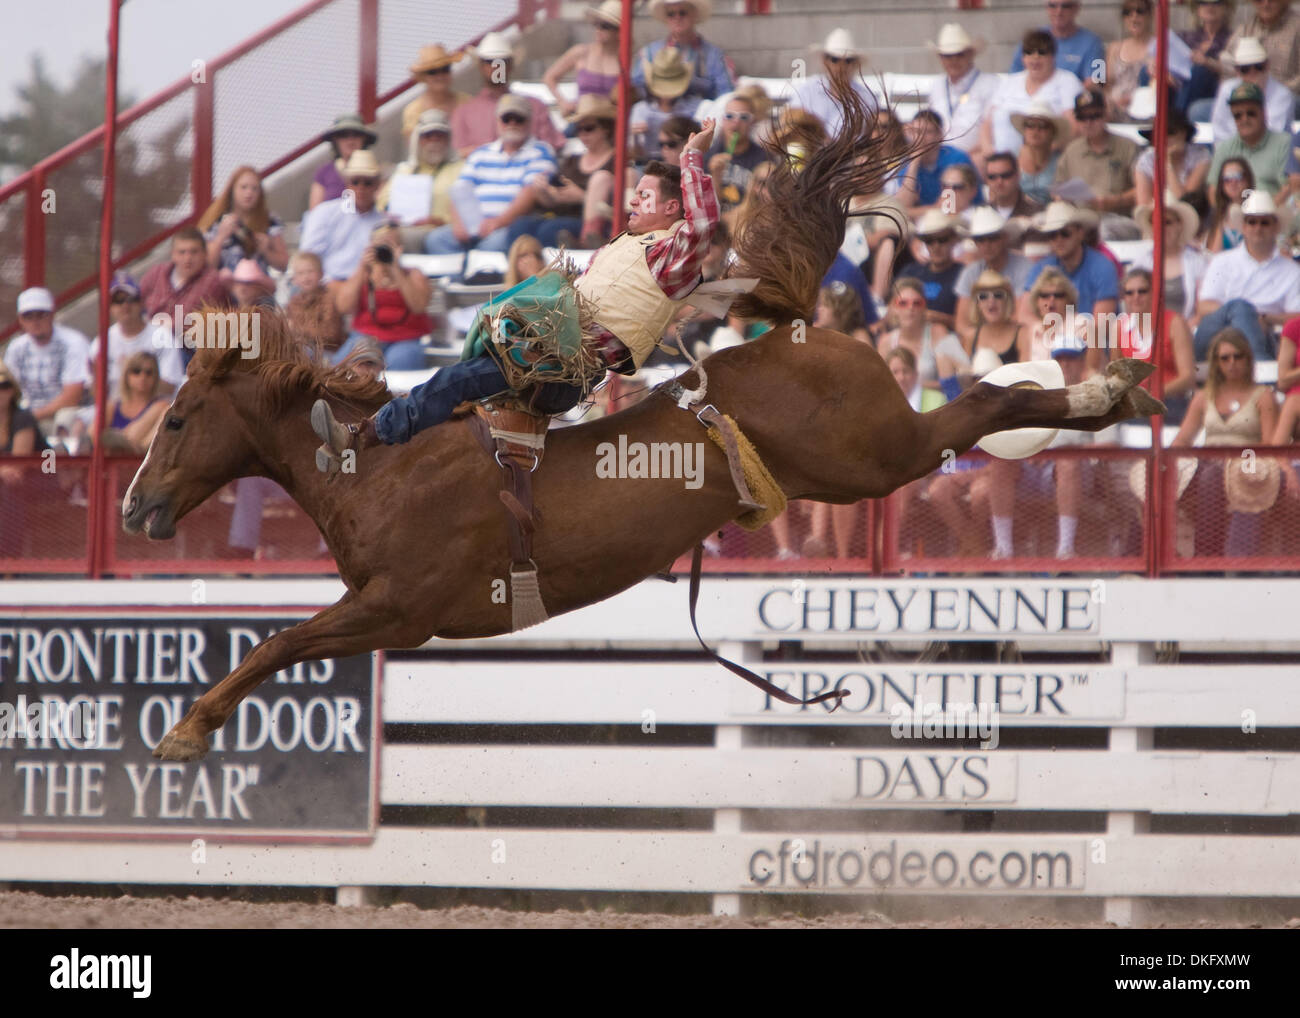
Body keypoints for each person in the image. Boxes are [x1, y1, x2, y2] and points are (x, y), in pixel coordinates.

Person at [311, 120, 723, 467]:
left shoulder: (673, 256)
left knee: (456, 380)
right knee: (463, 391)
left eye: (645, 195)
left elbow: (702, 225)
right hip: (548, 353)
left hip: (564, 367)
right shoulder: (630, 246)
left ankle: (361, 438)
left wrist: (690, 157)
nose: (632, 200)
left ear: (672, 210)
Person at [1173, 327, 1279, 557]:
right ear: (1216, 362)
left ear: (1247, 358)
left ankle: (1209, 558)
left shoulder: (1263, 395)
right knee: (1192, 477)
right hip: (1208, 464)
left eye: (1237, 356)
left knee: (1215, 478)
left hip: (1248, 463)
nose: (1232, 363)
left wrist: (1233, 459)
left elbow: (1270, 443)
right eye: (1225, 358)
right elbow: (1182, 439)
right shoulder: (1204, 396)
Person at [424, 94, 557, 257]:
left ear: (529, 122)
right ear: (498, 121)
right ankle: (457, 279)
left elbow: (529, 194)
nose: (512, 123)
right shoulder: (480, 153)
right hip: (472, 225)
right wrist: (460, 224)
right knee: (436, 239)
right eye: (506, 119)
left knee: (494, 245)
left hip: (508, 226)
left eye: (518, 119)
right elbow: (460, 192)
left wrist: (497, 222)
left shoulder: (541, 151)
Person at [1195, 189, 1300, 359]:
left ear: (1275, 227)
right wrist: (1245, 314)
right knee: (1240, 308)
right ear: (1243, 227)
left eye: (1264, 223)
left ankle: (1258, 361)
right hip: (1219, 332)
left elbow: (1297, 317)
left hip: (1267, 334)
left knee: (1242, 311)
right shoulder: (1222, 261)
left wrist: (1264, 318)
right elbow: (1204, 307)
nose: (1258, 228)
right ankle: (1260, 363)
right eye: (1252, 222)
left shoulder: (1292, 271)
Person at [511, 94, 617, 248]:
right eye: (578, 129)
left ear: (605, 129)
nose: (582, 134)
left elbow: (614, 205)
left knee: (549, 230)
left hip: (588, 223)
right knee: (520, 226)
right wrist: (544, 192)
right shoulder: (572, 160)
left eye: (589, 128)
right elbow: (552, 199)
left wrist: (581, 197)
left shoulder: (615, 163)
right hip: (557, 214)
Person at [1023, 202, 1120, 367]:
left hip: (1088, 347)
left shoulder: (1103, 266)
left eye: (1065, 233)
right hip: (1048, 342)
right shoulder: (1040, 268)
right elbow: (1024, 315)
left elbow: (1100, 324)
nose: (1058, 240)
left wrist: (1066, 337)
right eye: (1053, 235)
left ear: (1080, 233)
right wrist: (1050, 335)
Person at [333, 222, 434, 370]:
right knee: (347, 365)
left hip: (406, 338)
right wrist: (362, 266)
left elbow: (418, 306)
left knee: (400, 363)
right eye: (380, 245)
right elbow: (343, 307)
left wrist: (396, 269)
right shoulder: (363, 275)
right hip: (366, 337)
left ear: (399, 247)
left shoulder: (413, 274)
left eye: (389, 244)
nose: (384, 250)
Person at [450, 31, 565, 157]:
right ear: (481, 66)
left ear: (510, 65)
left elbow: (552, 148)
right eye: (490, 61)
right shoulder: (464, 113)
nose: (496, 67)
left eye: (501, 61)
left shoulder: (535, 107)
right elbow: (457, 156)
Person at [2, 287, 89, 442]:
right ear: (20, 319)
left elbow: (72, 396)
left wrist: (29, 417)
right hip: (27, 413)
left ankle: (63, 463)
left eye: (41, 314)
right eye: (28, 316)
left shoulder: (73, 342)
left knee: (66, 419)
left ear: (51, 315)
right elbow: (9, 389)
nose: (35, 321)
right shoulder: (16, 347)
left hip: (68, 413)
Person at [980, 31, 1083, 160]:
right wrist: (988, 150)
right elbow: (986, 122)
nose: (1035, 57)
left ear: (1053, 56)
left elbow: (1074, 126)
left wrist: (1045, 151)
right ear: (1023, 57)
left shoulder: (1067, 81)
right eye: (1029, 52)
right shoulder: (1009, 82)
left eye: (1042, 52)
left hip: (1047, 158)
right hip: (1000, 161)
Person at [1113, 266, 1197, 423]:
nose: (1136, 297)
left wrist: (1153, 394)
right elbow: (1116, 375)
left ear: (1154, 293)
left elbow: (1188, 377)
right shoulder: (1119, 327)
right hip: (1134, 404)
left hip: (1170, 401)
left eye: (1142, 291)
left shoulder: (1174, 323)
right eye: (1129, 292)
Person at [379, 108, 464, 252]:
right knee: (378, 237)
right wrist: (391, 213)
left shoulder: (460, 170)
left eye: (440, 136)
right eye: (428, 136)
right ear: (418, 140)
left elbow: (466, 213)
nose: (434, 141)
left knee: (395, 239)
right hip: (401, 229)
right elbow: (382, 204)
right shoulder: (404, 170)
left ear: (448, 139)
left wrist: (439, 221)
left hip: (440, 232)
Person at [1055, 90, 1140, 231]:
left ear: (1105, 115)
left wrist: (1114, 201)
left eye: (1094, 116)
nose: (1088, 123)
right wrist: (1061, 196)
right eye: (1082, 117)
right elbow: (1058, 187)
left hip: (1117, 217)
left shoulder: (1128, 147)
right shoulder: (1072, 150)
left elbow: (1143, 189)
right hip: (1079, 218)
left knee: (1103, 229)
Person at [299, 149, 390, 280]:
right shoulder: (324, 212)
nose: (361, 188)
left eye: (367, 182)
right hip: (327, 286)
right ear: (347, 184)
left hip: (367, 286)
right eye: (355, 182)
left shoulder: (384, 222)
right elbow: (308, 257)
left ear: (376, 185)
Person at [89, 273, 185, 395]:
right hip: (115, 409)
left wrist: (133, 374)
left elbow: (170, 387)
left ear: (141, 303)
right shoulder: (101, 342)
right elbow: (96, 394)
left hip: (156, 407)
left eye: (131, 299)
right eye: (118, 301)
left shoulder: (162, 336)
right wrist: (97, 378)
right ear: (109, 307)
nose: (125, 305)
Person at [630, 0, 733, 113]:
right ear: (666, 18)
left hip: (698, 122)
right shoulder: (649, 53)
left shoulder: (713, 55)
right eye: (671, 14)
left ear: (694, 14)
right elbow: (636, 90)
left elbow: (725, 95)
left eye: (683, 13)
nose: (677, 17)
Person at [1206, 81, 1300, 198]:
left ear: (1263, 113)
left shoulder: (1285, 143)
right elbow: (1213, 191)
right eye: (1238, 115)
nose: (1244, 119)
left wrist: (1263, 212)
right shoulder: (1224, 148)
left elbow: (1289, 188)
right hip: (1233, 212)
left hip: (1273, 212)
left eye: (1251, 113)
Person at [877, 276, 969, 395]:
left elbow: (966, 374)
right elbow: (879, 385)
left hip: (937, 405)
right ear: (894, 308)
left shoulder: (938, 333)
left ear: (924, 307)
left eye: (917, 303)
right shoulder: (886, 342)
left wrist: (913, 385)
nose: (910, 308)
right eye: (903, 303)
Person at [954, 207, 1036, 335]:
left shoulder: (1025, 267)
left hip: (1013, 337)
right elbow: (961, 323)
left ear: (1004, 238)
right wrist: (979, 340)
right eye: (980, 240)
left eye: (992, 238)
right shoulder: (970, 272)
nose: (986, 245)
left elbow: (1019, 316)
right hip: (979, 338)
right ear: (975, 243)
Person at [785, 28, 877, 138]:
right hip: (813, 153)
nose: (841, 67)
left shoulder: (866, 98)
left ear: (855, 64)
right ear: (825, 61)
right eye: (835, 59)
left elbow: (873, 134)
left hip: (852, 154)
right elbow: (790, 118)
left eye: (848, 61)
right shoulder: (808, 90)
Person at [198, 165, 288, 275]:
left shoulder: (270, 220)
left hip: (256, 287)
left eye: (255, 188)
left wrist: (266, 251)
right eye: (243, 187)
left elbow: (284, 265)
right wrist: (220, 238)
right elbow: (205, 266)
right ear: (232, 190)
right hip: (222, 286)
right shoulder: (216, 219)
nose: (249, 193)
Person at [1132, 194, 1208, 321]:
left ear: (1179, 225)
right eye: (1156, 223)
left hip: (1188, 332)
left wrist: (1182, 333)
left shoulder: (1198, 262)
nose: (1161, 228)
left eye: (1167, 222)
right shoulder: (1141, 263)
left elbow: (1202, 310)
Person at [926, 24, 999, 154]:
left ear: (970, 54)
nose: (953, 61)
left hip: (975, 157)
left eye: (959, 55)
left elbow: (992, 130)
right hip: (937, 160)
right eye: (947, 56)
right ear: (940, 58)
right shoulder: (937, 85)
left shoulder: (990, 84)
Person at [542, 1, 623, 119]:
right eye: (596, 24)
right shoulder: (582, 52)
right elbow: (549, 77)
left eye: (605, 26)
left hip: (611, 123)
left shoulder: (624, 60)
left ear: (618, 31)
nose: (598, 29)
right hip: (582, 121)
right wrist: (562, 102)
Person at [1209, 36, 1296, 141]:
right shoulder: (1227, 89)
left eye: (1258, 66)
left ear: (1267, 65)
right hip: (1232, 151)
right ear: (1237, 71)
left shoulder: (1282, 95)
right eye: (1245, 69)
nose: (1252, 73)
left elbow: (1273, 134)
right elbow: (1219, 130)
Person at [707, 90, 775, 218]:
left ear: (753, 122)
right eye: (729, 116)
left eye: (743, 117)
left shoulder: (763, 159)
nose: (736, 123)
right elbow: (707, 209)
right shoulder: (710, 154)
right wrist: (715, 176)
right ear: (722, 119)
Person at [897, 109, 977, 217]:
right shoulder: (907, 163)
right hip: (925, 222)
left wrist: (913, 212)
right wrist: (914, 163)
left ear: (940, 134)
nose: (920, 138)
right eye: (916, 132)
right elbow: (902, 208)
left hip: (963, 218)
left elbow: (949, 207)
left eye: (927, 132)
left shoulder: (957, 159)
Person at [896, 211, 966, 329]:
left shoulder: (964, 274)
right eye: (929, 241)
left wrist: (939, 319)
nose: (936, 246)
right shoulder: (910, 272)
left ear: (954, 240)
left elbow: (970, 323)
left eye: (942, 239)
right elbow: (892, 309)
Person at [1009, 0, 1106, 83]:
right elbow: (1014, 76)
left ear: (1077, 8)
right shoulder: (1033, 39)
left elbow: (1097, 83)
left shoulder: (1094, 42)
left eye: (1066, 6)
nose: (1059, 11)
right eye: (1053, 6)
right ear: (1047, 8)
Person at [630, 50, 699, 164]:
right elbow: (635, 154)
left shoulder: (694, 107)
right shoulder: (641, 109)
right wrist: (635, 137)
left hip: (682, 164)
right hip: (647, 163)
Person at [97, 352, 170, 456]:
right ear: (127, 375)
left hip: (141, 457)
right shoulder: (112, 406)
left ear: (156, 377)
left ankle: (136, 446)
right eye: (136, 371)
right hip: (113, 463)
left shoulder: (161, 406)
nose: (143, 376)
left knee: (164, 408)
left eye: (149, 373)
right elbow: (93, 438)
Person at [1135, 110, 1211, 207]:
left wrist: (1168, 164)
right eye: (1160, 133)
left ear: (1184, 133)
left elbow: (1185, 201)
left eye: (1171, 132)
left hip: (1192, 216)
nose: (1165, 138)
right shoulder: (1146, 160)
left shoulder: (1200, 157)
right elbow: (1143, 204)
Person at [401, 44, 468, 146]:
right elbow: (413, 147)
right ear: (423, 77)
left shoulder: (466, 102)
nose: (440, 76)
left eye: (445, 69)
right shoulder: (413, 110)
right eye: (433, 72)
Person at [1227, 0, 1300, 93]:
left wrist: (1274, 90)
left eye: (1272, 0)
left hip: (1288, 95)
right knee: (1203, 107)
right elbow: (1228, 66)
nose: (1266, 4)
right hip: (1247, 95)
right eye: (1259, 0)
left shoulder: (1297, 27)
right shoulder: (1245, 29)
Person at [308, 114, 378, 210]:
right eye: (343, 135)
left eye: (356, 135)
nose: (350, 141)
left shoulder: (376, 171)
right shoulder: (324, 172)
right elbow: (314, 211)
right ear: (335, 140)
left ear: (364, 139)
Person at [1179, 0, 1236, 117]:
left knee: (1199, 71)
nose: (1209, 7)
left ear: (1226, 8)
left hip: (1218, 88)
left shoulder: (1233, 37)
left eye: (1216, 2)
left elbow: (1236, 69)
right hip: (1184, 86)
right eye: (1203, 2)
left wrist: (1207, 62)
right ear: (1197, 8)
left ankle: (1177, 121)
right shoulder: (1186, 37)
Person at [1008, 103, 1071, 207]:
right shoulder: (1012, 159)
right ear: (1024, 130)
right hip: (1017, 214)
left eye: (1042, 126)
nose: (1035, 131)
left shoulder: (1061, 161)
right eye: (1030, 125)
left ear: (1053, 132)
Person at [285, 251, 346, 356]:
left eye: (310, 272)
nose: (306, 277)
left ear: (321, 274)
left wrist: (298, 329)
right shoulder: (294, 302)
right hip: (301, 347)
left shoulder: (328, 299)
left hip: (326, 351)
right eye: (301, 273)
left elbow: (331, 334)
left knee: (302, 352)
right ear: (295, 279)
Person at [967, 270, 1030, 369]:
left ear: (1007, 301)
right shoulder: (971, 335)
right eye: (983, 296)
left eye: (998, 295)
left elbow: (1026, 373)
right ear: (977, 304)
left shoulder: (1022, 333)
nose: (991, 301)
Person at [1105, 0, 1154, 119]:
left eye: (1140, 12)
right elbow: (1105, 83)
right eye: (1128, 13)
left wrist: (1132, 99)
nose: (1134, 17)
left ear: (1149, 15)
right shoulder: (1114, 48)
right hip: (1114, 109)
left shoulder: (1157, 47)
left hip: (1144, 107)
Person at [1205, 156, 1255, 250]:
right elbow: (1213, 254)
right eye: (1227, 178)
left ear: (1247, 179)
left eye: (1237, 176)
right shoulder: (1217, 214)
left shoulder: (1258, 209)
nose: (1233, 182)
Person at [984, 150, 1045, 220]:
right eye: (992, 177)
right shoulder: (981, 215)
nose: (999, 181)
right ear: (986, 180)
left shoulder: (1037, 213)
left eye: (1006, 175)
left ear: (1018, 175)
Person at [0, 362, 40, 458]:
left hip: (38, 472)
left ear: (13, 390)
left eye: (4, 386)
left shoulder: (23, 418)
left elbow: (18, 465)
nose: (1, 392)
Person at [814, 280, 872, 345]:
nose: (819, 309)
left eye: (826, 305)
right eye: (820, 304)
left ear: (840, 311)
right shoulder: (815, 331)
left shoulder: (859, 338)